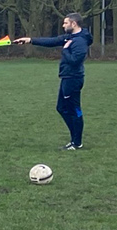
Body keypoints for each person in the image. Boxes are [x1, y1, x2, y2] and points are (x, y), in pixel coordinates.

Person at [14, 13, 93, 150]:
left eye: (65, 23)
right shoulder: (70, 37)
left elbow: (75, 61)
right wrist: (29, 40)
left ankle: (77, 142)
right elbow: (52, 41)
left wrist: (65, 50)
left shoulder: (80, 41)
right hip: (66, 78)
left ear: (74, 24)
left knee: (74, 110)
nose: (63, 25)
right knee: (61, 108)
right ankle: (75, 139)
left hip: (73, 79)